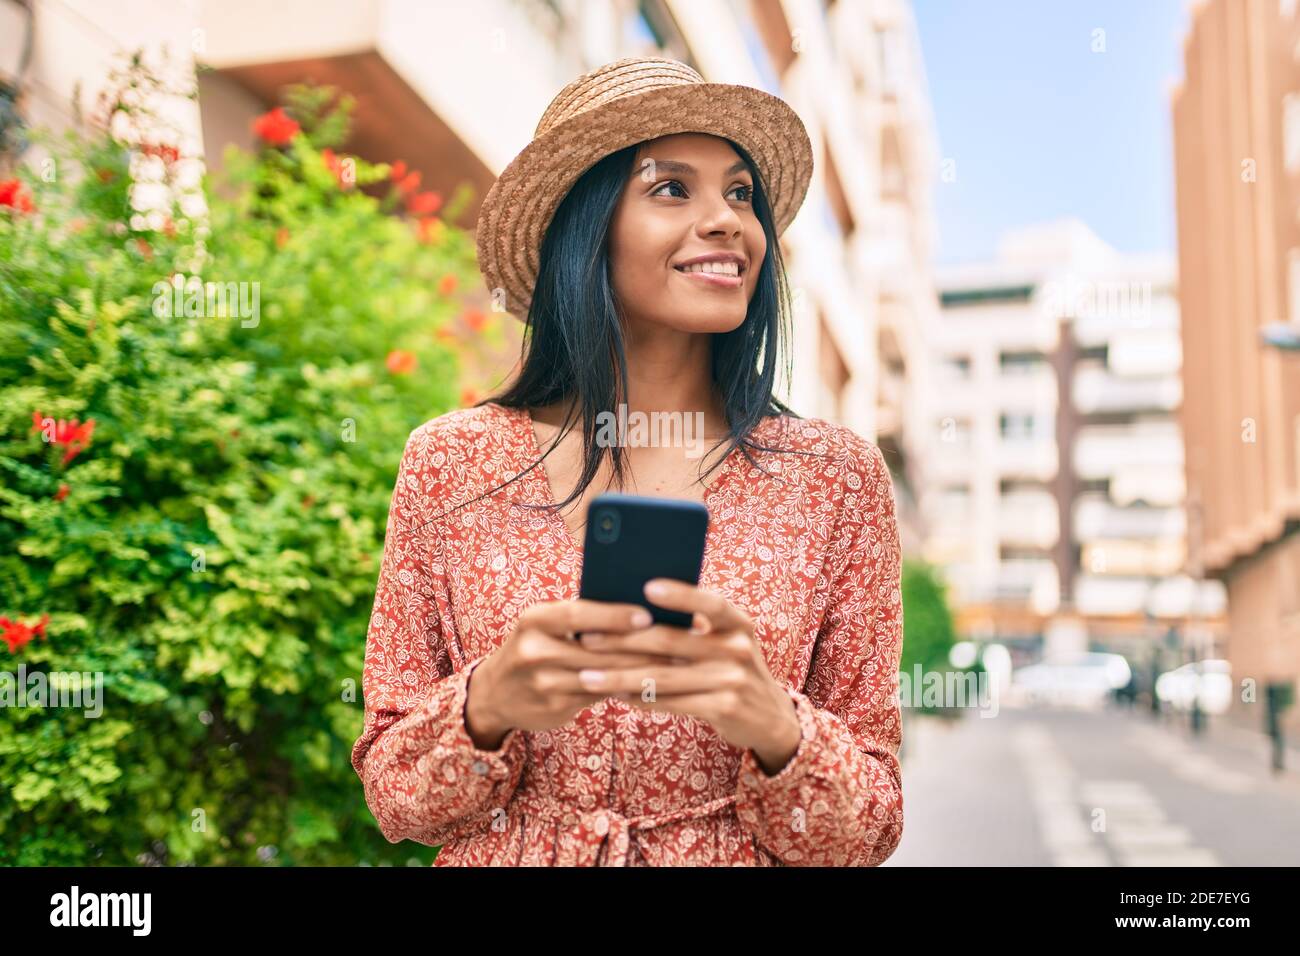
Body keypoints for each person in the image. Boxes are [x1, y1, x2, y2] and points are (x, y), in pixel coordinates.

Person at [350, 56, 905, 866]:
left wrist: (773, 723)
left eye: (741, 193)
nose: (727, 221)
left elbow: (872, 828)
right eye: (672, 188)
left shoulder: (836, 480)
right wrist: (487, 704)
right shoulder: (452, 462)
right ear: (589, 227)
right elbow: (394, 798)